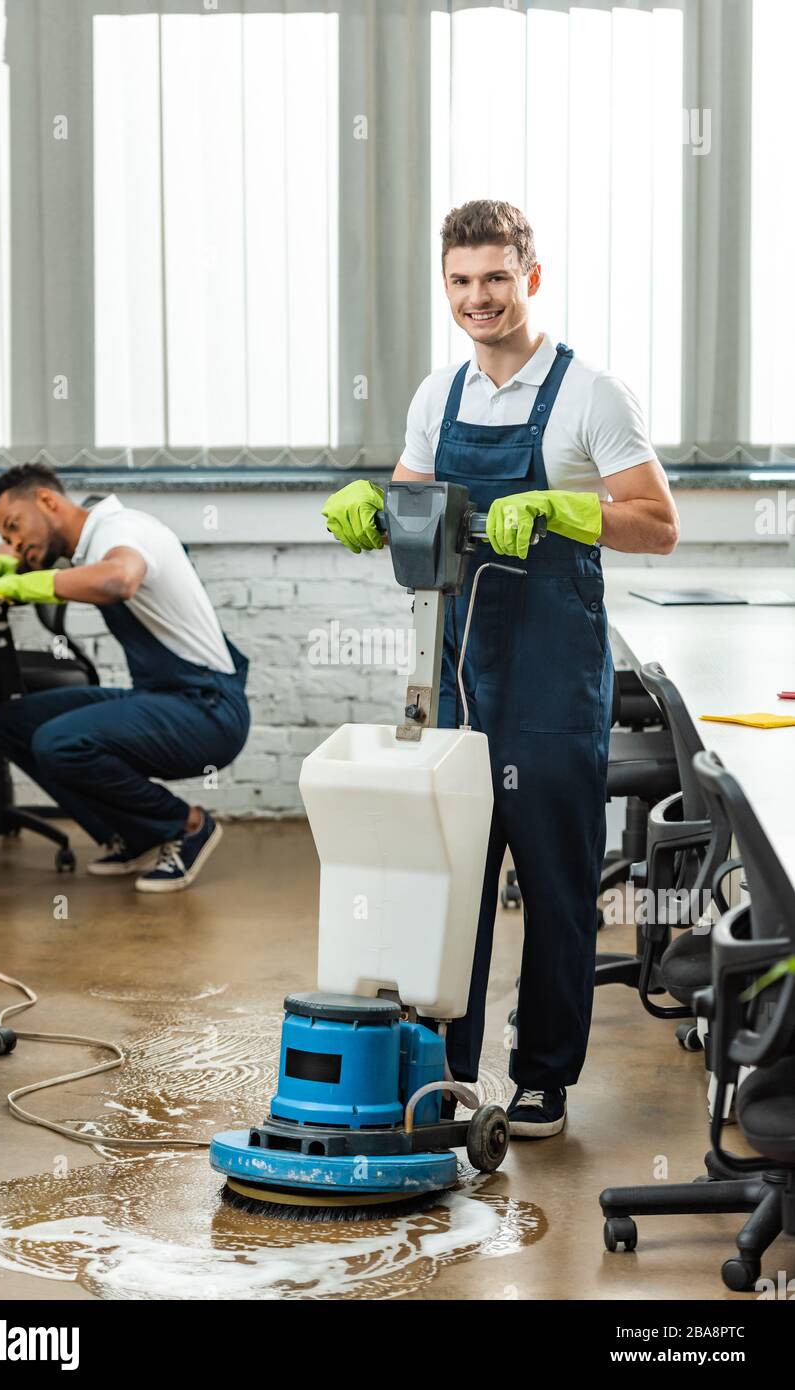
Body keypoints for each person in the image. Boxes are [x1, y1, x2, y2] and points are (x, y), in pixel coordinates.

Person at [321, 199, 679, 1136]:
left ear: (530, 277)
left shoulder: (591, 393)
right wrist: (379, 503)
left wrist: (568, 511)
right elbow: (414, 497)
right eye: (459, 281)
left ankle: (542, 1077)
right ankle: (446, 1071)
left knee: (557, 881)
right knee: (447, 873)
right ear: (445, 286)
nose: (478, 298)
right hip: (455, 668)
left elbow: (659, 524)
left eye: (493, 278)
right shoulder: (437, 396)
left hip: (554, 679)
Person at [0, 463, 250, 893]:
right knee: (14, 724)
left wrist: (26, 585)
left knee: (59, 742)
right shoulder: (88, 540)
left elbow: (119, 580)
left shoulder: (120, 529)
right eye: (6, 534)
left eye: (14, 526)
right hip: (168, 696)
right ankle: (137, 836)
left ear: (48, 500)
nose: (16, 541)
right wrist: (5, 556)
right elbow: (41, 553)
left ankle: (188, 826)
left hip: (208, 709)